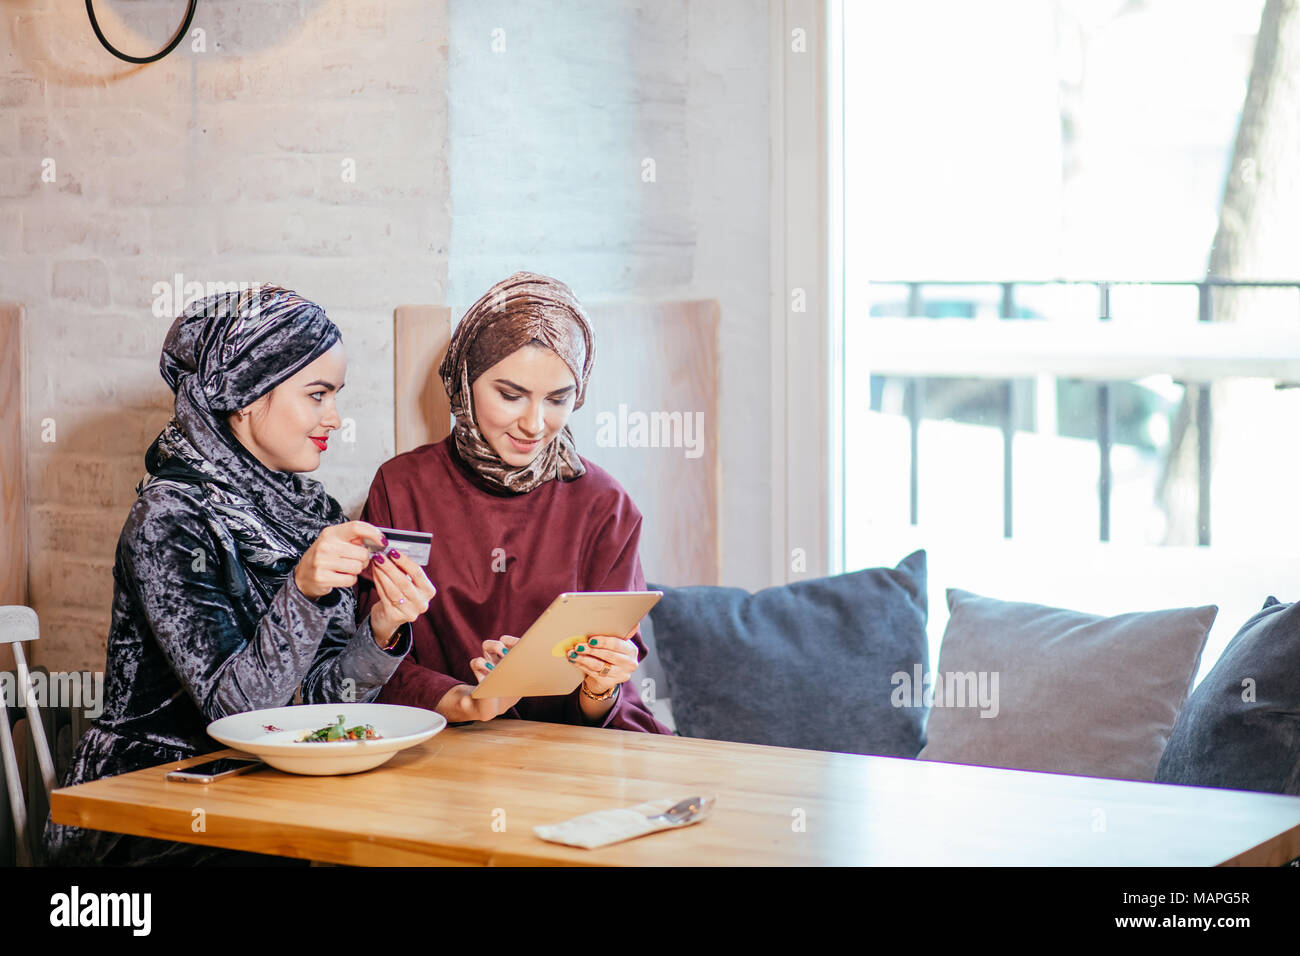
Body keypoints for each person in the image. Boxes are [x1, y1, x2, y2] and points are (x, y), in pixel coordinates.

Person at [43, 285, 437, 866]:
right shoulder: (169, 519)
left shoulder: (311, 514)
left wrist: (379, 633)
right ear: (244, 397)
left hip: (261, 793)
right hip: (150, 805)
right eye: (317, 395)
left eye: (336, 395)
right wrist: (302, 589)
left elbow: (321, 703)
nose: (335, 418)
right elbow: (239, 714)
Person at [358, 272, 670, 734]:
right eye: (510, 395)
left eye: (558, 398)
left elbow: (607, 706)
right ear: (464, 381)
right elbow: (369, 661)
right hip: (437, 746)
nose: (534, 423)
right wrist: (466, 702)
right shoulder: (401, 487)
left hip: (571, 754)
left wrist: (599, 686)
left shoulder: (605, 504)